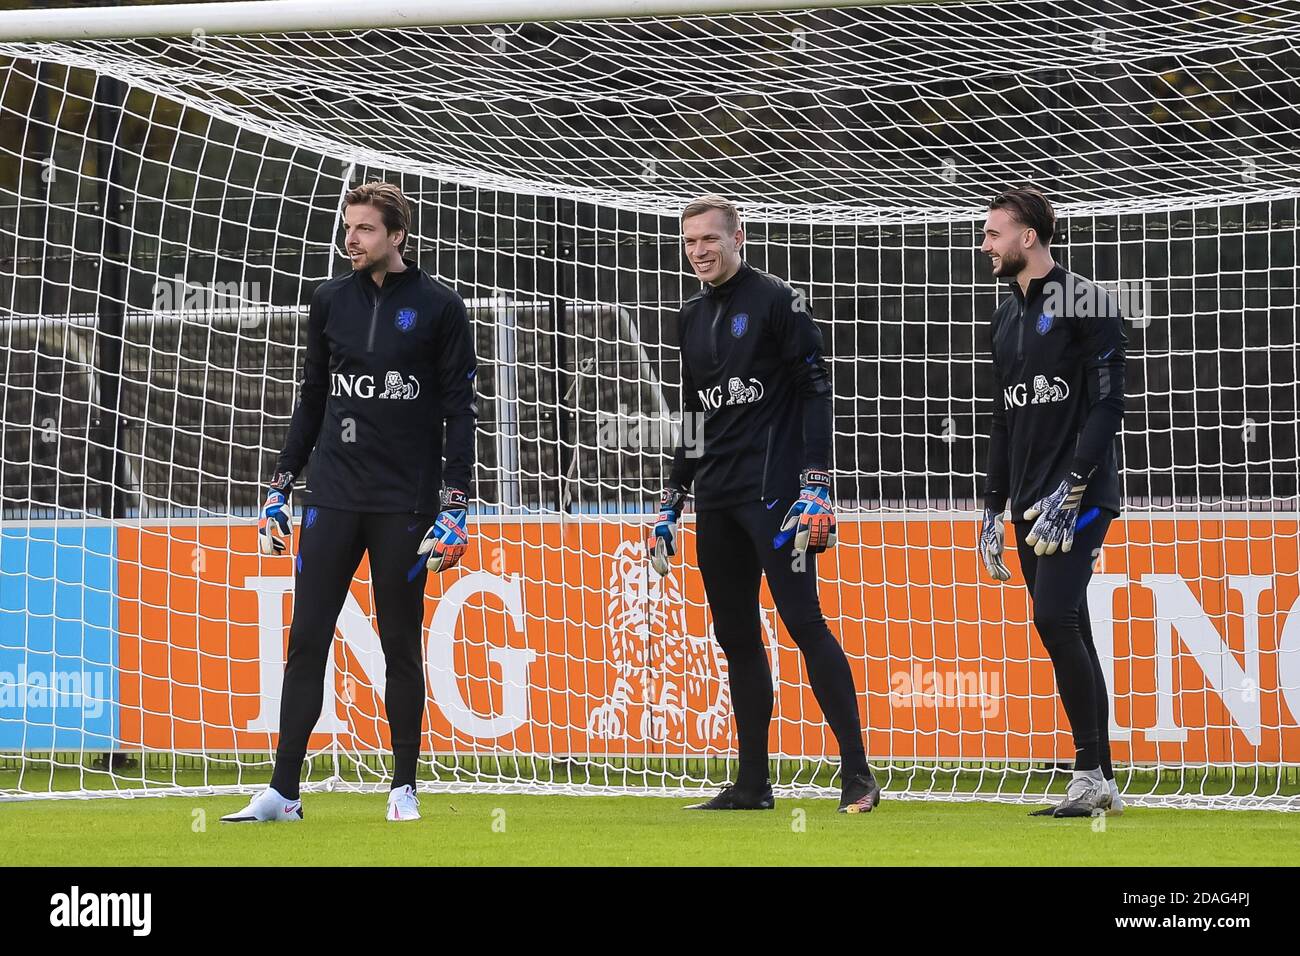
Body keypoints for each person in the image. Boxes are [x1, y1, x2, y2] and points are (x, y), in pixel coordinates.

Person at [222, 181, 477, 823]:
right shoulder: (328, 300)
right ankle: (283, 792)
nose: (350, 239)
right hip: (331, 497)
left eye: (364, 229)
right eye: (347, 227)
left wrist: (455, 503)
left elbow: (458, 412)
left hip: (406, 504)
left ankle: (403, 788)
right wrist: (282, 484)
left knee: (399, 643)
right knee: (306, 637)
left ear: (397, 236)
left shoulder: (440, 307)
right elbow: (311, 398)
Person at [649, 194, 880, 814]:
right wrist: (672, 499)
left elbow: (815, 391)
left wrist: (816, 482)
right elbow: (694, 413)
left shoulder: (779, 300)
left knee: (804, 623)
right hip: (717, 501)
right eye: (690, 241)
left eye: (709, 239)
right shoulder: (689, 317)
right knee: (736, 636)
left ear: (738, 236)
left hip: (778, 497)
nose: (699, 250)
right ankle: (753, 783)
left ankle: (857, 775)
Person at [976, 186, 1127, 817]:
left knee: (1054, 618)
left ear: (1028, 237)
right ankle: (1104, 779)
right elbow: (1004, 420)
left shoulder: (1085, 299)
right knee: (1070, 627)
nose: (985, 244)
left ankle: (1087, 771)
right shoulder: (1005, 315)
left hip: (1082, 494)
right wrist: (992, 507)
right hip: (1032, 502)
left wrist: (1075, 484)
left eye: (993, 233)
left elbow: (1107, 402)